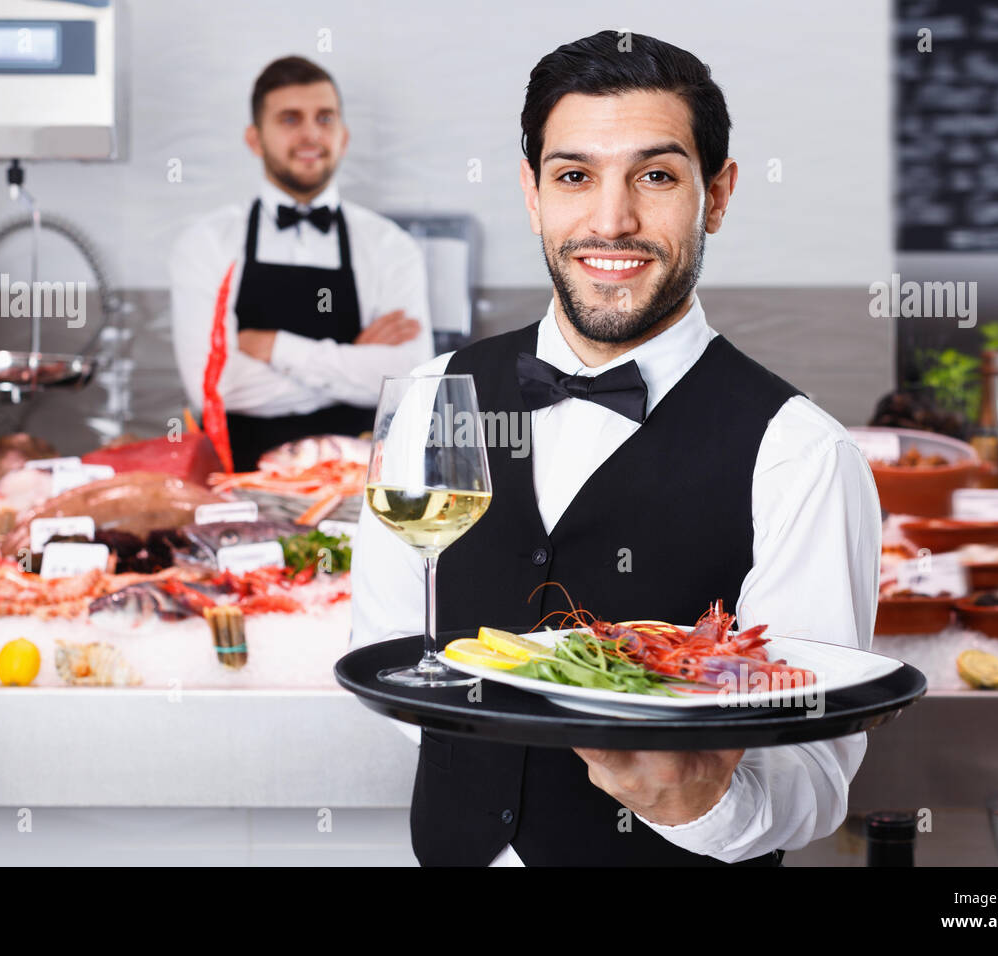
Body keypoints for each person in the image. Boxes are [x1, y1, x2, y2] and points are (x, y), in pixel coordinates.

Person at [350, 31, 881, 866]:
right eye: (573, 177)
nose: (611, 220)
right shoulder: (430, 400)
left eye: (657, 176)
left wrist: (700, 800)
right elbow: (391, 654)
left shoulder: (799, 453)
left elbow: (815, 770)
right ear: (532, 194)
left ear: (718, 194)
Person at [170, 56, 434, 470]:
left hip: (361, 488)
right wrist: (354, 362)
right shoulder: (206, 243)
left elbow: (406, 381)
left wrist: (273, 346)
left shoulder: (390, 246)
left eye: (324, 118)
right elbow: (215, 390)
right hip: (236, 485)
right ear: (255, 139)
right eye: (290, 119)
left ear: (344, 136)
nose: (311, 133)